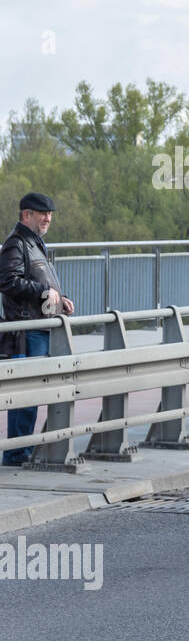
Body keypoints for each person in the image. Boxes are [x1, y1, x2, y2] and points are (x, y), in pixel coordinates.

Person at [1, 193, 73, 466]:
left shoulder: (34, 244)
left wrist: (59, 297)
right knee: (26, 397)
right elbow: (8, 282)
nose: (47, 219)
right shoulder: (17, 244)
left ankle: (20, 452)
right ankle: (16, 454)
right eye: (42, 214)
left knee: (31, 396)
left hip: (39, 327)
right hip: (26, 330)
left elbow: (39, 281)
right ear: (26, 215)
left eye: (50, 215)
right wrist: (45, 291)